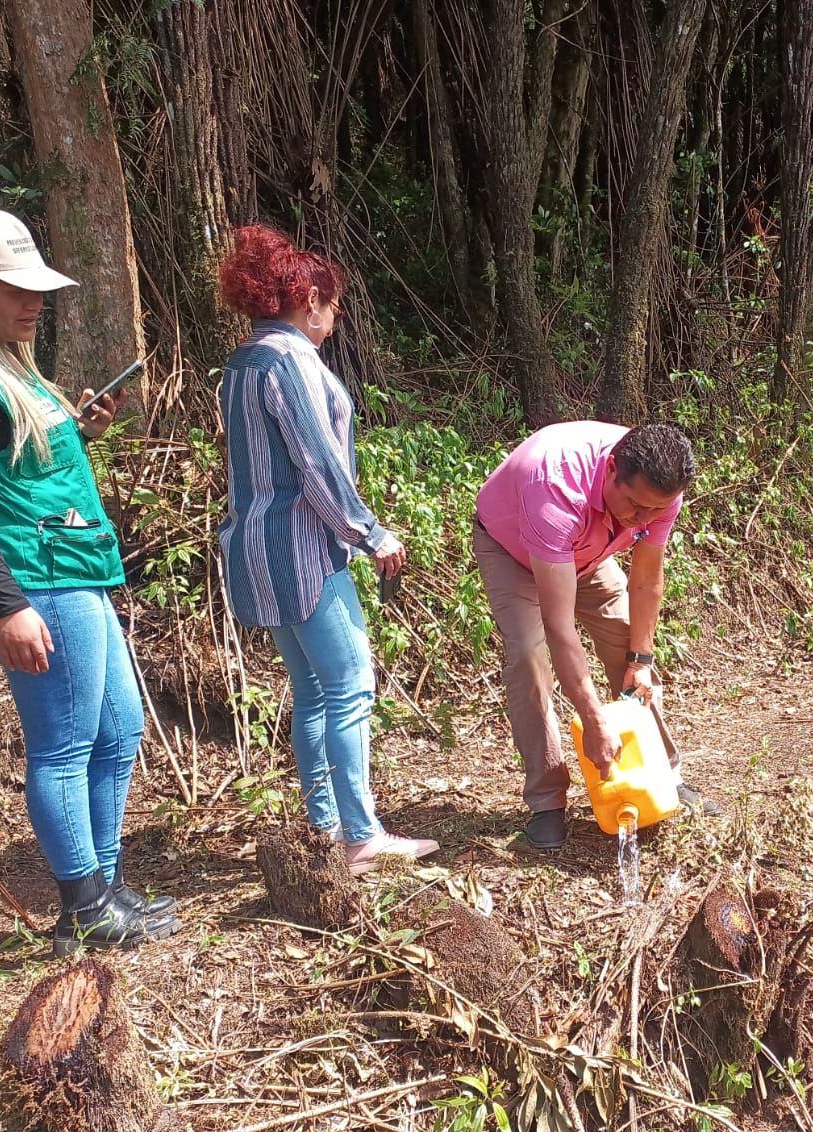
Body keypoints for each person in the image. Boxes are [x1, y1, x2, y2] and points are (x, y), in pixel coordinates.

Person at [0, 207, 177, 956]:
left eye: (35, 287)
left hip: (70, 567)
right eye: (14, 288)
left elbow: (6, 460)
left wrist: (74, 429)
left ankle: (104, 888)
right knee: (63, 744)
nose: (34, 302)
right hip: (36, 579)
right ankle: (82, 905)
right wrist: (7, 605)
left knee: (119, 729)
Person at [216, 226, 437, 873]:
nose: (334, 319)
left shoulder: (242, 362)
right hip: (303, 551)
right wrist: (371, 534)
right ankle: (361, 836)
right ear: (309, 298)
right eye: (332, 304)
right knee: (349, 688)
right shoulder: (289, 363)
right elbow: (316, 464)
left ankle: (324, 829)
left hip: (254, 551)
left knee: (312, 690)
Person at [473, 421, 711, 849]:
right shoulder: (555, 486)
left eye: (655, 512)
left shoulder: (660, 492)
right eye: (636, 507)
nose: (644, 520)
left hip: (591, 550)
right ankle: (546, 801)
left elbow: (645, 583)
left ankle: (663, 776)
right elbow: (559, 624)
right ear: (612, 468)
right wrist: (594, 716)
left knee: (627, 640)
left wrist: (641, 661)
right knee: (529, 657)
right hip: (517, 552)